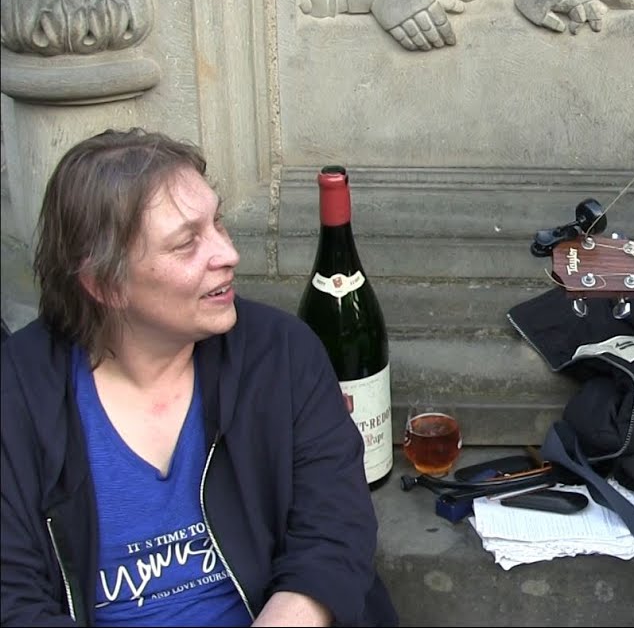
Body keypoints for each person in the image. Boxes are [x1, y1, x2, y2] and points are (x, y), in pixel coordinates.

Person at [0, 129, 399, 627]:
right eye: (187, 243)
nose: (227, 254)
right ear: (104, 284)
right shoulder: (18, 395)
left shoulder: (280, 354)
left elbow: (335, 528)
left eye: (218, 223)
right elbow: (13, 601)